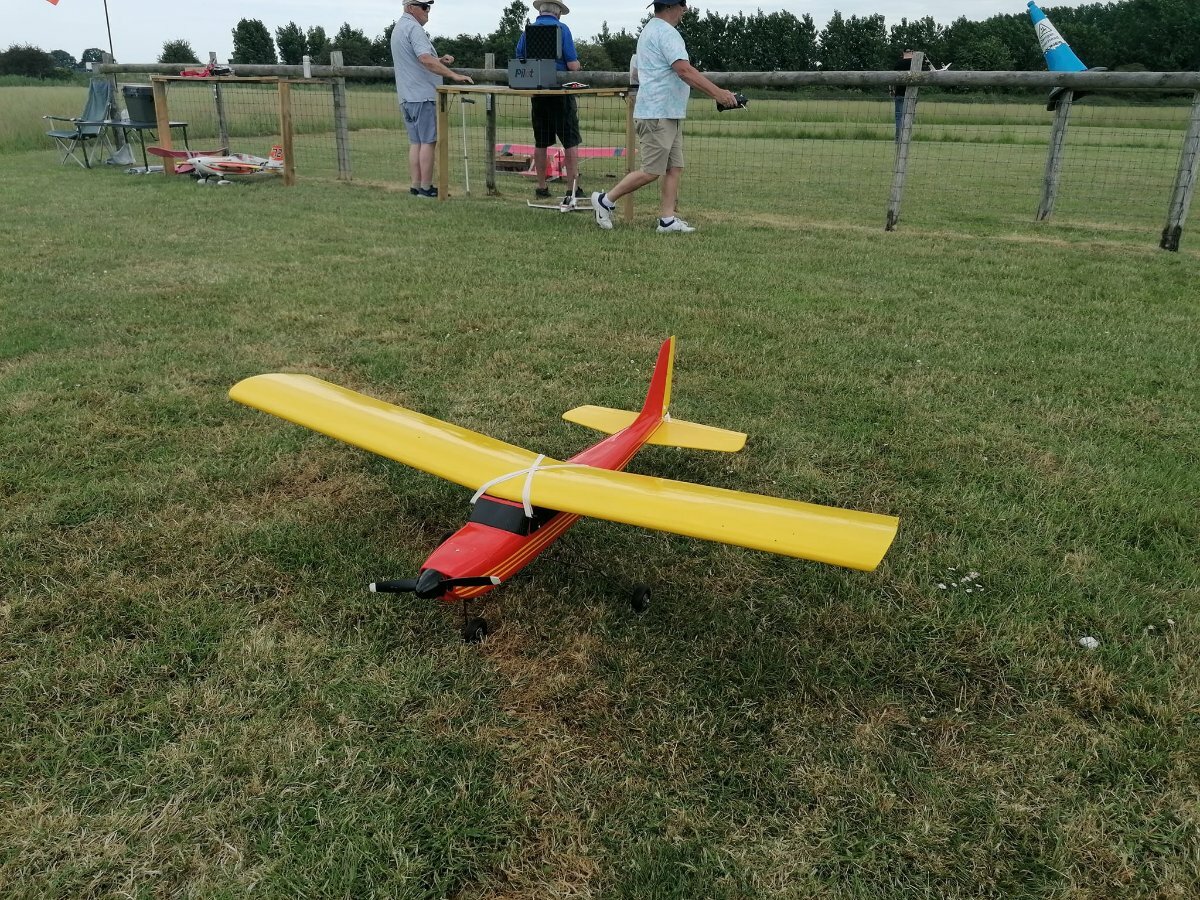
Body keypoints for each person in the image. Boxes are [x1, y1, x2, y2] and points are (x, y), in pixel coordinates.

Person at [591, 0, 739, 233]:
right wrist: (718, 93)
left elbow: (646, 71)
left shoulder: (649, 31)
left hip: (669, 112)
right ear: (671, 7)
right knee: (651, 170)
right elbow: (684, 70)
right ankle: (604, 200)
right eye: (683, 5)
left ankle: (667, 220)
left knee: (674, 167)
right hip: (657, 113)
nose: (685, 10)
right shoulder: (667, 33)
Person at [391, 0, 473, 198]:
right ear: (411, 7)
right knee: (428, 142)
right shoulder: (414, 28)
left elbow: (418, 59)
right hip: (422, 95)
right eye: (424, 6)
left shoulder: (399, 28)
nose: (428, 11)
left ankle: (416, 185)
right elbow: (424, 59)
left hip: (407, 96)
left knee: (416, 142)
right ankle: (426, 188)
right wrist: (453, 75)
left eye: (429, 7)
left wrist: (440, 61)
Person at [515, 0, 584, 200]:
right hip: (561, 94)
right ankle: (572, 188)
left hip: (538, 93)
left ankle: (541, 186)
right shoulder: (562, 29)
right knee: (570, 141)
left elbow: (520, 58)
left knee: (541, 142)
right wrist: (578, 65)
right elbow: (572, 65)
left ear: (540, 11)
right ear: (559, 13)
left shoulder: (528, 32)